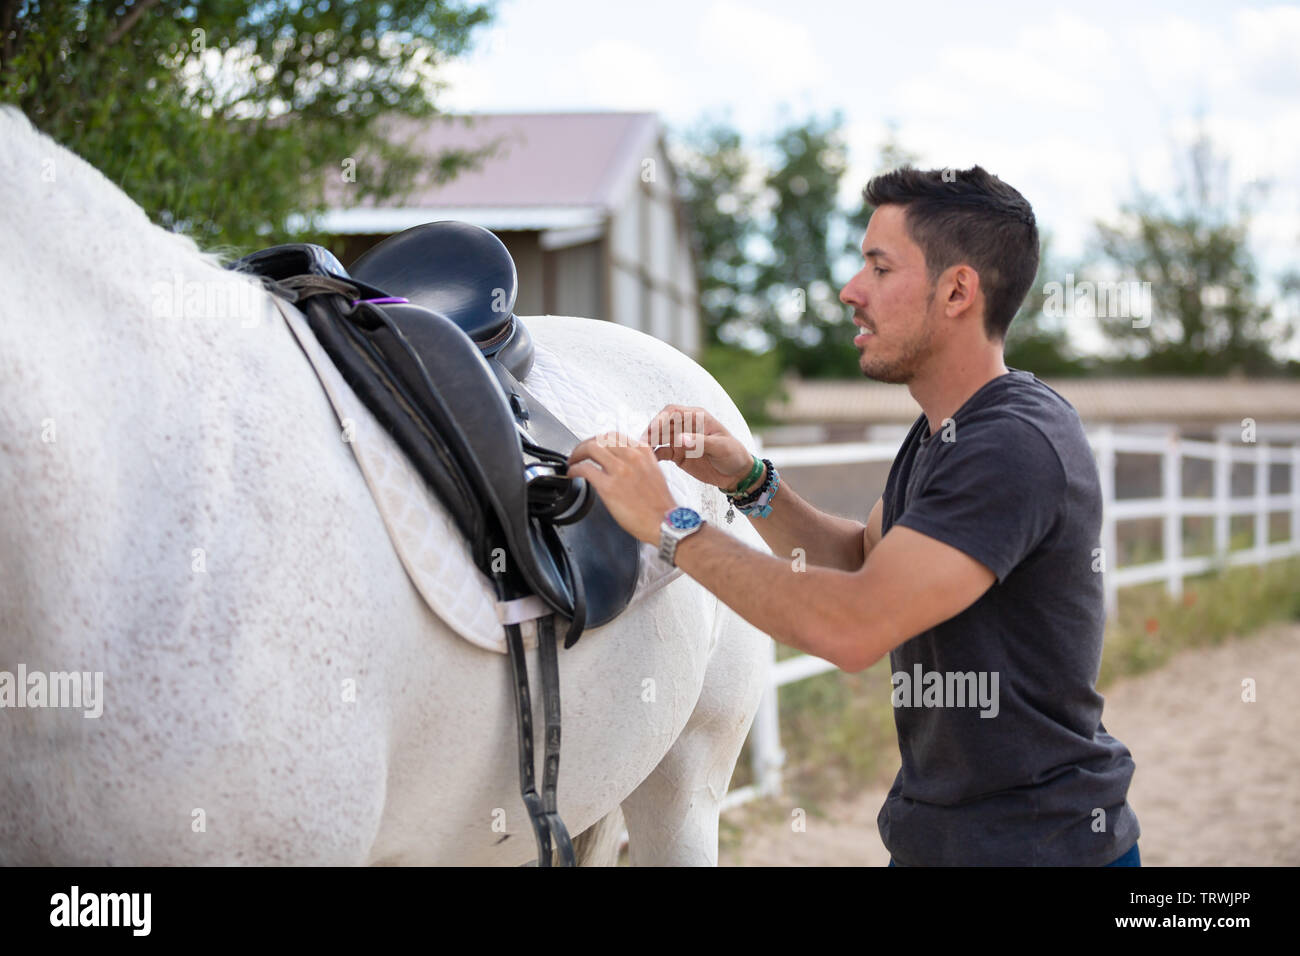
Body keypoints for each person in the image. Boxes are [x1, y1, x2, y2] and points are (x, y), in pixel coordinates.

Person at [567, 165, 1140, 867]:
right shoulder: (945, 430)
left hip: (1039, 848)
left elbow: (852, 625)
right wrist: (748, 481)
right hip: (949, 842)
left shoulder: (1013, 443)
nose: (851, 290)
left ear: (958, 290)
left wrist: (669, 523)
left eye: (878, 265)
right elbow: (863, 561)